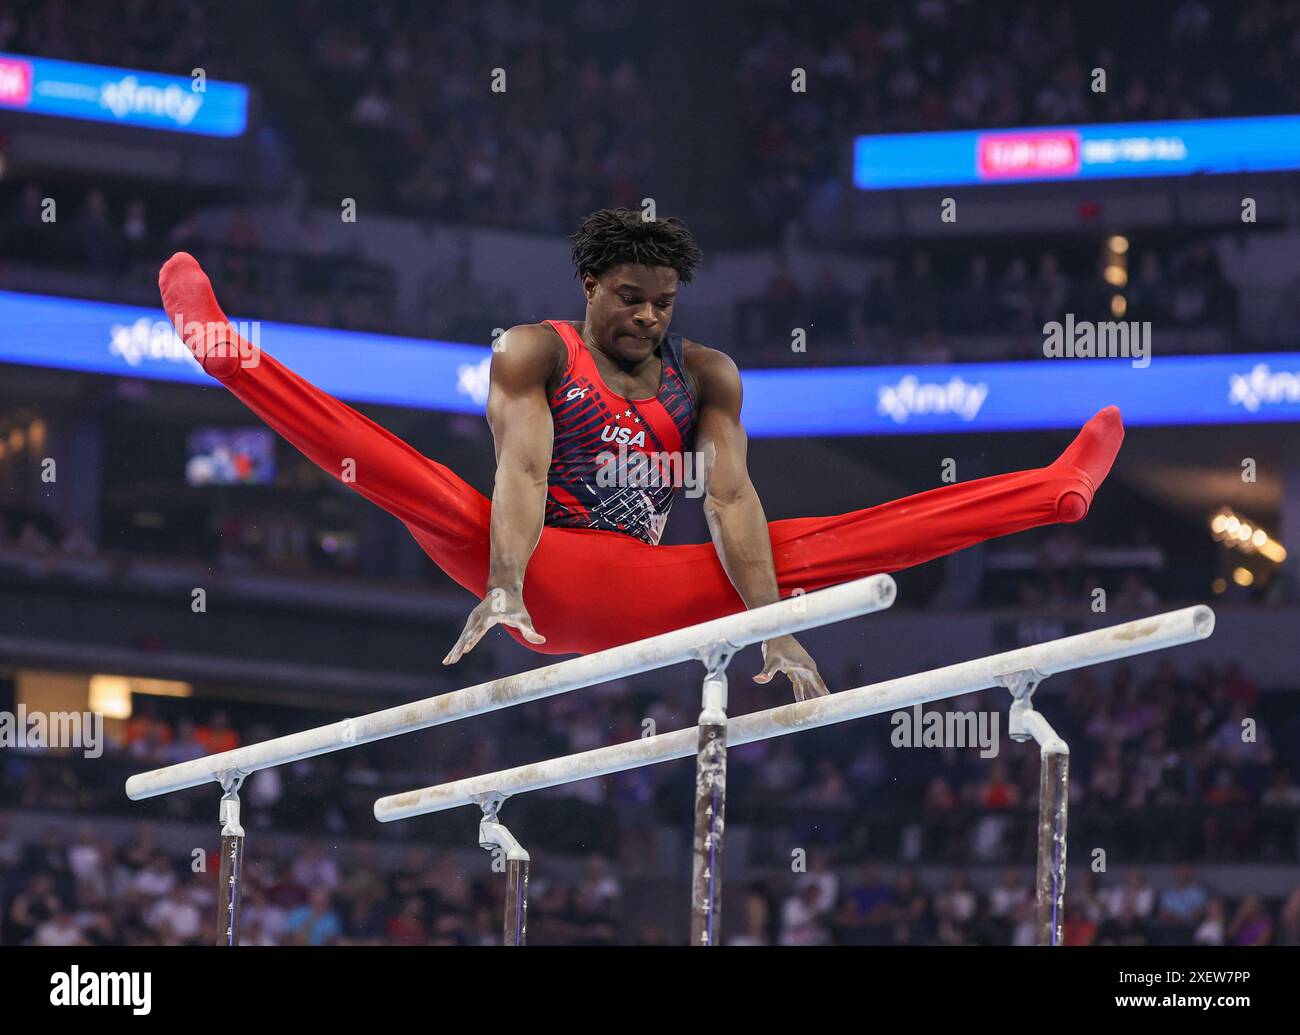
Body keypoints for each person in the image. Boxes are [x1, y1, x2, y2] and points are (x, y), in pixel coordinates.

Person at [157, 209, 1123, 700]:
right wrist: (502, 584)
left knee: (811, 546)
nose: (646, 316)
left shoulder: (706, 377)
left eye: (662, 301)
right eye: (628, 296)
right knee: (419, 484)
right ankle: (223, 348)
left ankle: (1052, 490)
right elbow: (524, 471)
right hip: (528, 566)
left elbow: (731, 504)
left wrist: (774, 625)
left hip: (647, 596)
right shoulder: (535, 350)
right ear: (589, 284)